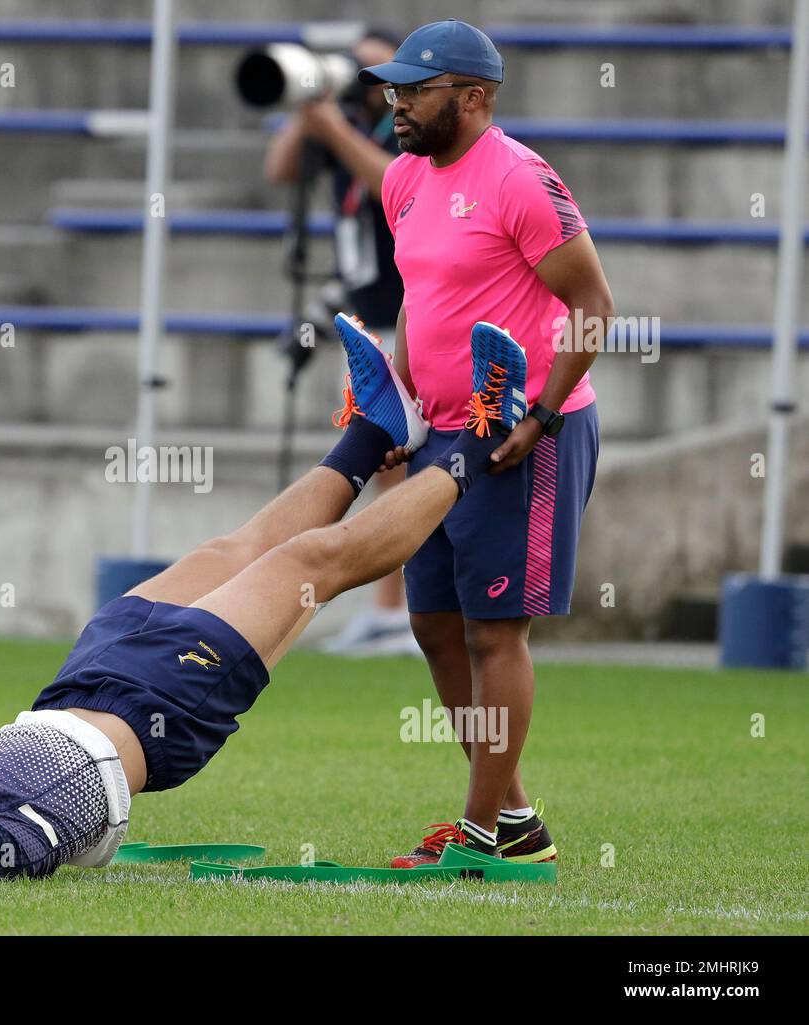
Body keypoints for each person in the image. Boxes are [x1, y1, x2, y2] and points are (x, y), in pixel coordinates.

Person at [0, 315, 529, 878]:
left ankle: (376, 430)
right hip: (162, 711)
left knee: (230, 550)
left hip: (80, 689)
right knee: (312, 562)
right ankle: (480, 438)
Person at [357, 19, 615, 866]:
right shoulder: (403, 178)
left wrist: (541, 416)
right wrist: (399, 403)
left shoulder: (520, 180)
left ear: (473, 97)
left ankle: (477, 837)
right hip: (441, 433)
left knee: (495, 633)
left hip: (520, 435)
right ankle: (514, 823)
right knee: (434, 623)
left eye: (414, 89)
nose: (396, 103)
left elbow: (594, 306)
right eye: (392, 88)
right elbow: (417, 298)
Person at [264, 25, 417, 654]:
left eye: (376, 71)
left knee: (400, 466)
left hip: (408, 317)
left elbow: (390, 185)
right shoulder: (340, 128)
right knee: (380, 464)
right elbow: (279, 171)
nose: (364, 82)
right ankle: (391, 609)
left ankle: (400, 611)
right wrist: (307, 112)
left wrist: (332, 129)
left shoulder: (403, 132)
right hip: (366, 317)